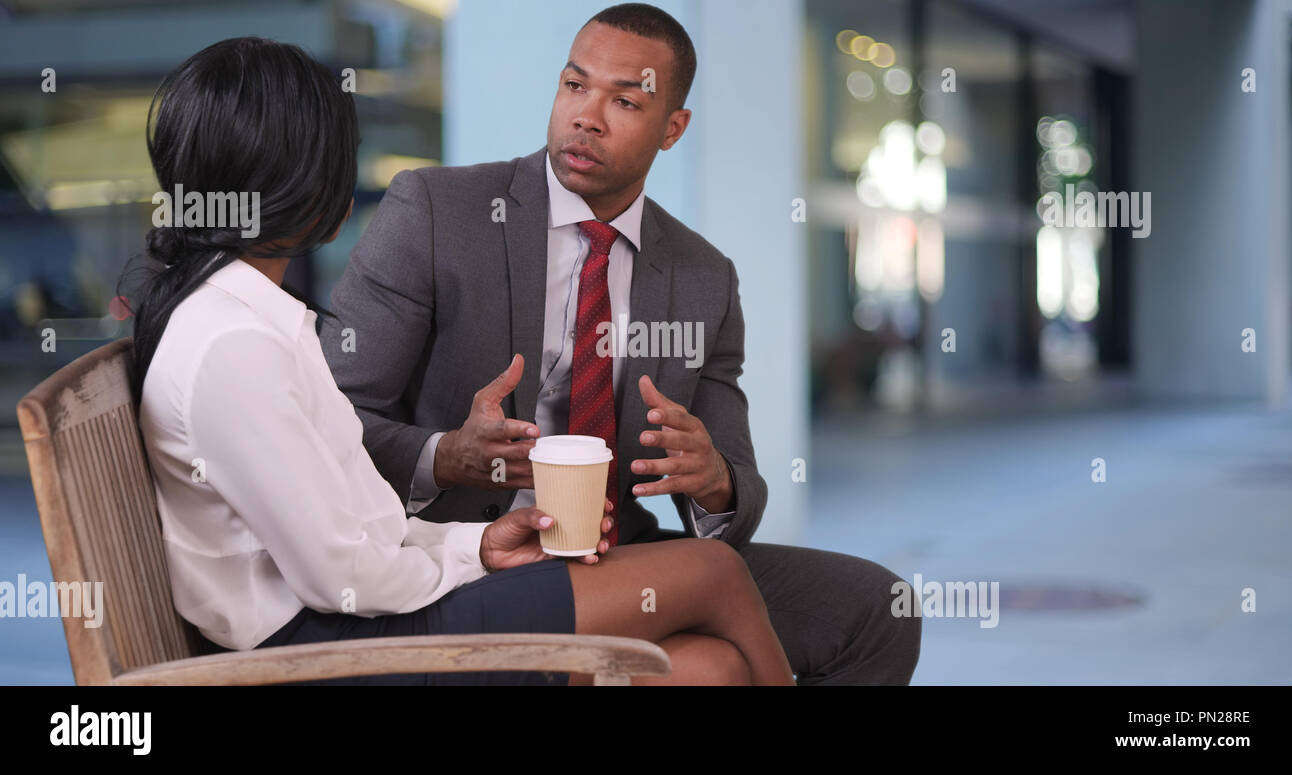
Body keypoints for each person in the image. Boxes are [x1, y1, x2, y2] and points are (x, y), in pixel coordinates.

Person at [127, 36, 794, 686]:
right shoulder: (235, 346)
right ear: (312, 188)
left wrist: (475, 547)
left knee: (713, 669)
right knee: (713, 573)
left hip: (357, 617)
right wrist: (462, 567)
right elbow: (343, 573)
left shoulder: (245, 321)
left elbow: (356, 527)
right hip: (335, 646)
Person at [321, 3, 921, 684]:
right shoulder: (435, 211)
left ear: (673, 129)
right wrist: (446, 456)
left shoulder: (702, 277)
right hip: (467, 553)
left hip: (621, 558)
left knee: (882, 606)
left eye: (625, 101)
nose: (587, 116)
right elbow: (327, 423)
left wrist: (713, 479)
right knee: (711, 663)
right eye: (574, 86)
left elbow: (739, 488)